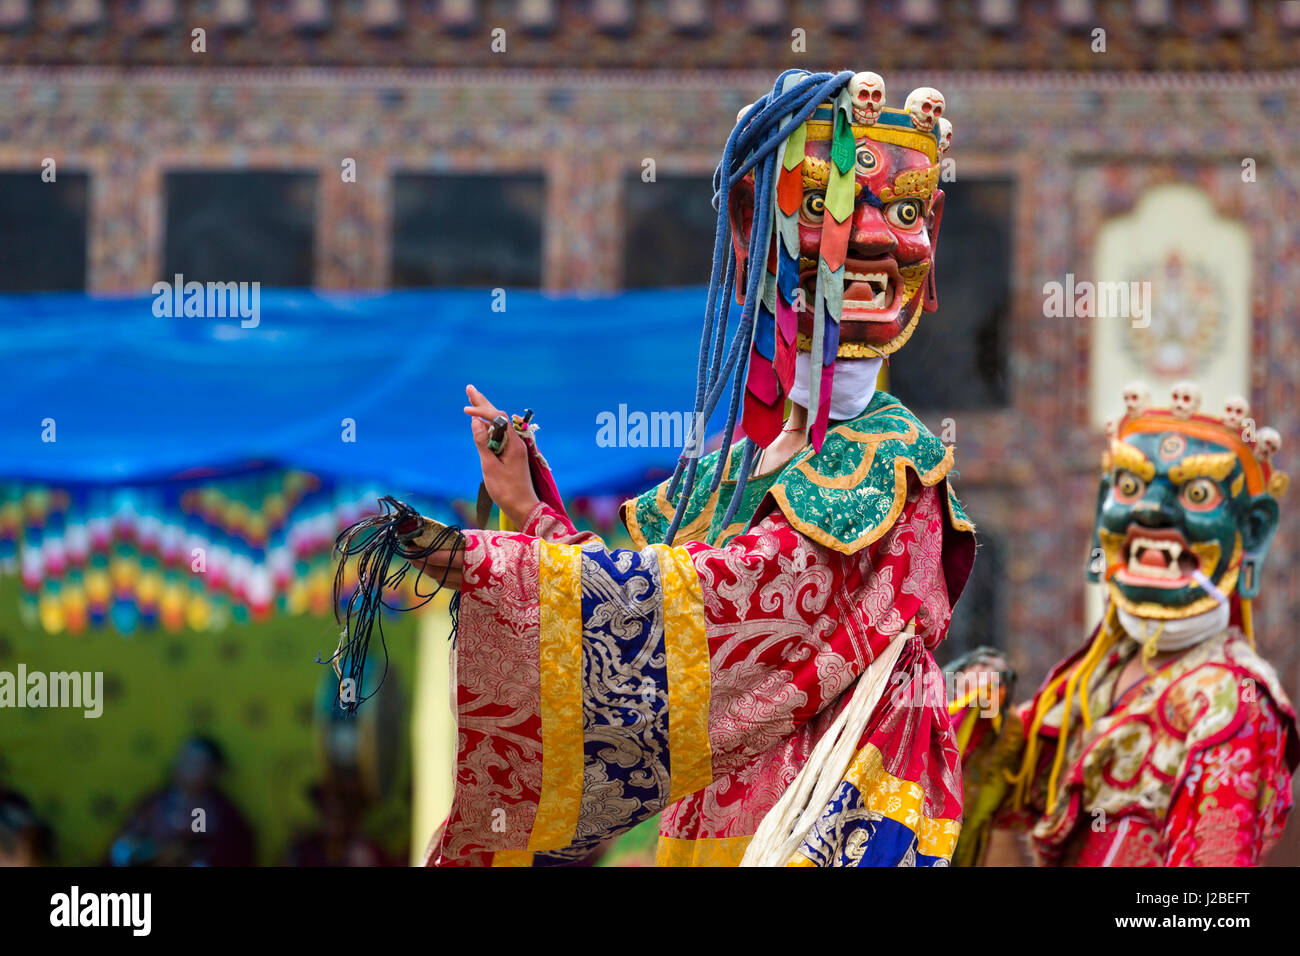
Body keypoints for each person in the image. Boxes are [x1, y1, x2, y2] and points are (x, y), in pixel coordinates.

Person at [413, 69, 976, 867]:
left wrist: (489, 564)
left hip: (825, 835)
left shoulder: (894, 465)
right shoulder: (733, 474)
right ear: (754, 225)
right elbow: (646, 640)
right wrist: (532, 511)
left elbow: (730, 606)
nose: (878, 238)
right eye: (826, 205)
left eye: (907, 210)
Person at [951, 383, 1298, 866]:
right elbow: (1021, 788)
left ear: (1252, 529)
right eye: (1130, 487)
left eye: (1198, 493)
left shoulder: (1233, 703)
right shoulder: (1102, 671)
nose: (1150, 511)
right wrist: (979, 711)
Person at [109, 735, 255, 867]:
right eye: (183, 759)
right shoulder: (153, 804)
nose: (184, 767)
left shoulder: (225, 818)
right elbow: (121, 849)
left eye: (195, 763)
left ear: (213, 771)